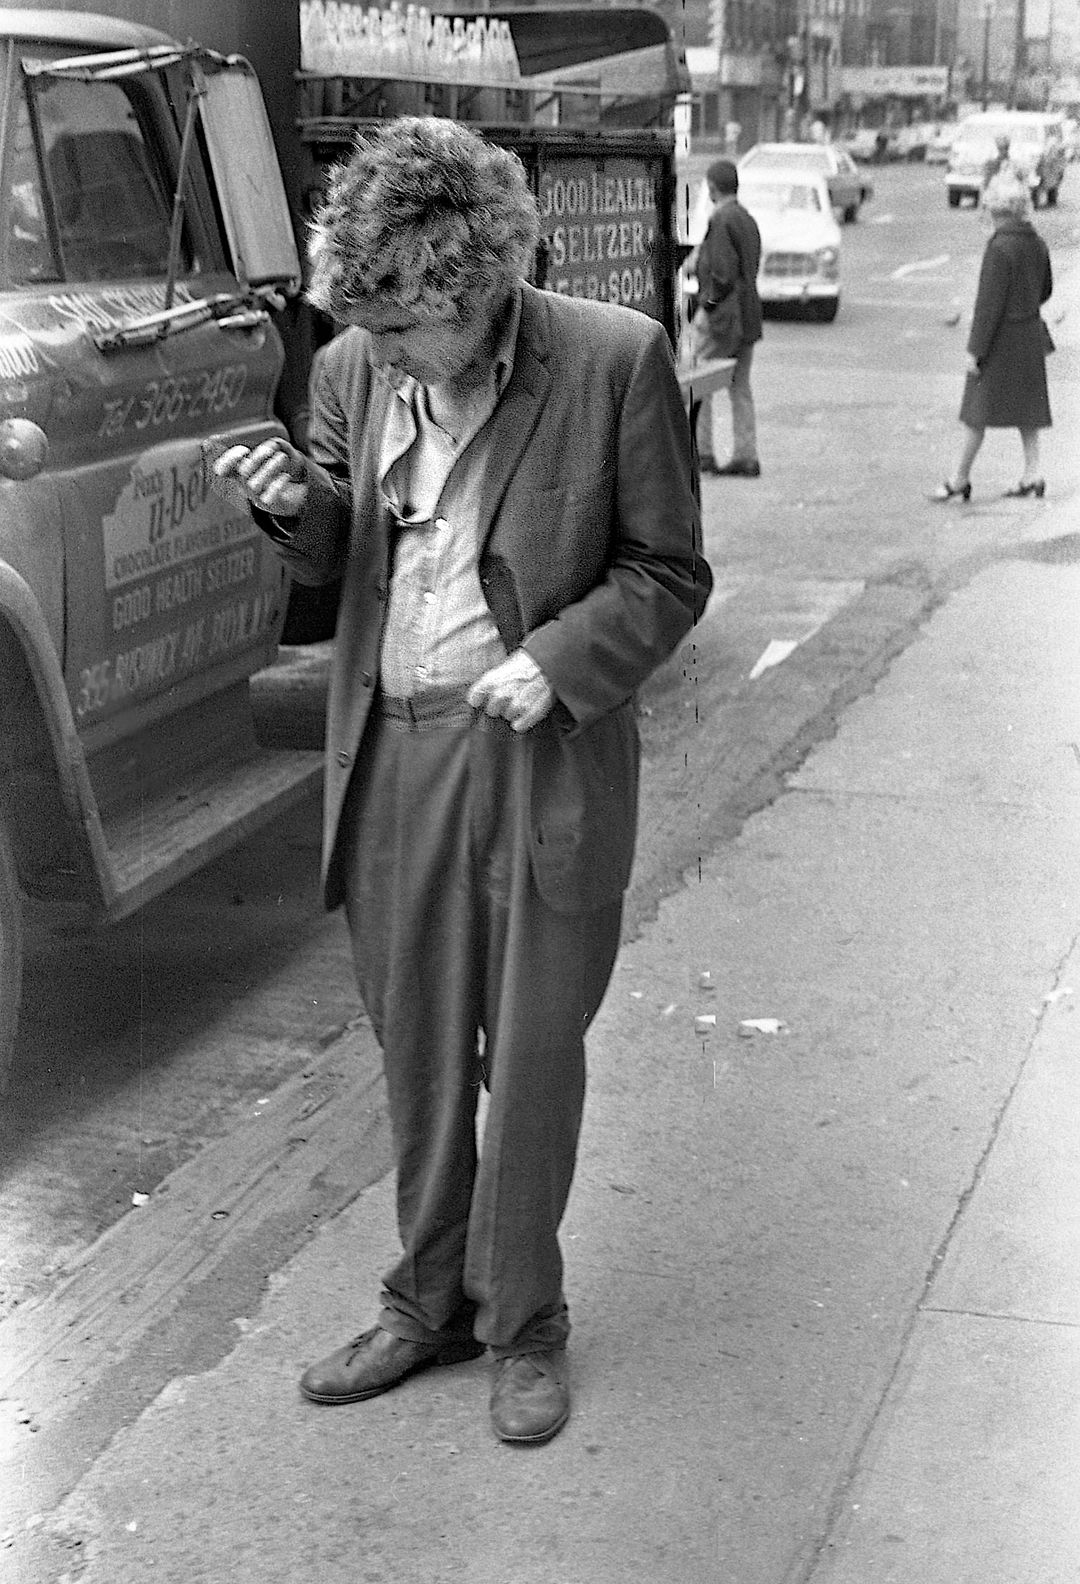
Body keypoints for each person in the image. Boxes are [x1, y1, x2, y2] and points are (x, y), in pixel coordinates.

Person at [209, 116, 711, 1446]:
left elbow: (669, 573)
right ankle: (426, 1300)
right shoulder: (352, 365)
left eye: (398, 331)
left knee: (533, 1056)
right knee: (420, 1050)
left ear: (477, 290)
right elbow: (338, 549)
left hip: (542, 755)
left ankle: (526, 1319)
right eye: (361, 329)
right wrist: (291, 502)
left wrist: (558, 660)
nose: (375, 357)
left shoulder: (614, 361)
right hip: (395, 754)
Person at [933, 170, 1053, 503]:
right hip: (1029, 336)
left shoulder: (999, 248)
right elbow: (1045, 290)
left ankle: (960, 478)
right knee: (1028, 410)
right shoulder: (1037, 242)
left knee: (976, 410)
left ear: (996, 210)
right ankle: (1033, 474)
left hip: (1001, 340)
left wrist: (975, 351)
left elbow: (988, 307)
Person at [688, 158, 763, 478]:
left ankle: (702, 453)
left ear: (712, 188)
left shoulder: (720, 220)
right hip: (749, 315)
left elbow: (722, 273)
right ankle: (747, 455)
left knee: (698, 382)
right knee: (740, 386)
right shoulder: (747, 219)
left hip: (723, 317)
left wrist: (707, 305)